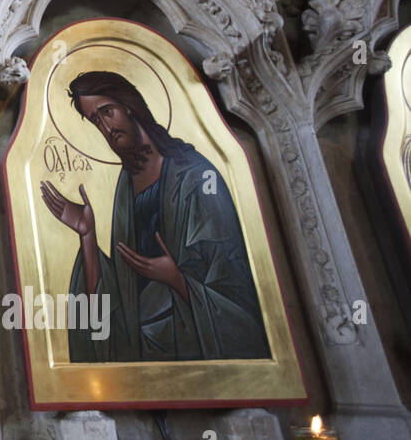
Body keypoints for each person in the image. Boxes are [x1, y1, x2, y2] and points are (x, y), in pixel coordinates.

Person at [39, 70, 270, 362]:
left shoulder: (196, 174)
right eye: (96, 121)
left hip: (194, 339)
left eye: (107, 112)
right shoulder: (126, 183)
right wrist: (87, 235)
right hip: (146, 344)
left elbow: (232, 282)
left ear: (129, 106)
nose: (106, 127)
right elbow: (121, 296)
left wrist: (177, 279)